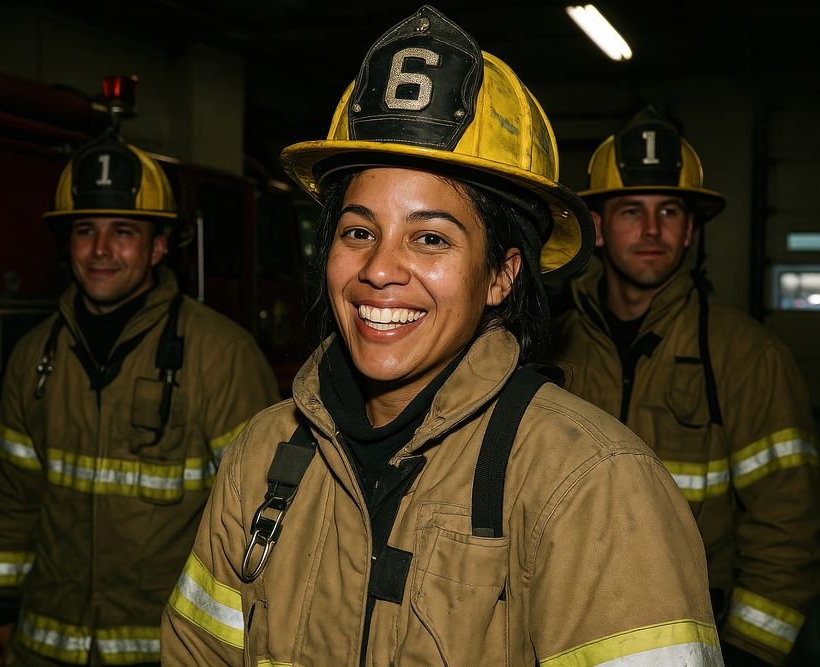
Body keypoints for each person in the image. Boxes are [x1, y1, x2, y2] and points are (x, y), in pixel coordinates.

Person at [160, 7, 723, 665]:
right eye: (357, 231)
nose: (377, 269)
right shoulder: (264, 454)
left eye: (430, 238)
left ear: (501, 276)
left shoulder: (593, 486)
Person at [0, 130, 280, 666]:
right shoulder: (34, 358)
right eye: (84, 230)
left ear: (160, 246)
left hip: (166, 648)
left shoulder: (221, 356)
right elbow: (12, 496)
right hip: (46, 644)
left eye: (124, 232)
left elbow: (259, 518)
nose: (100, 250)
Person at [554, 107, 820, 666]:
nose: (652, 231)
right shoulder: (548, 349)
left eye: (669, 211)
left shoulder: (747, 357)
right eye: (631, 211)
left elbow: (787, 526)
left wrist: (748, 653)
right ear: (598, 228)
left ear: (690, 229)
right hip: (563, 633)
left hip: (701, 641)